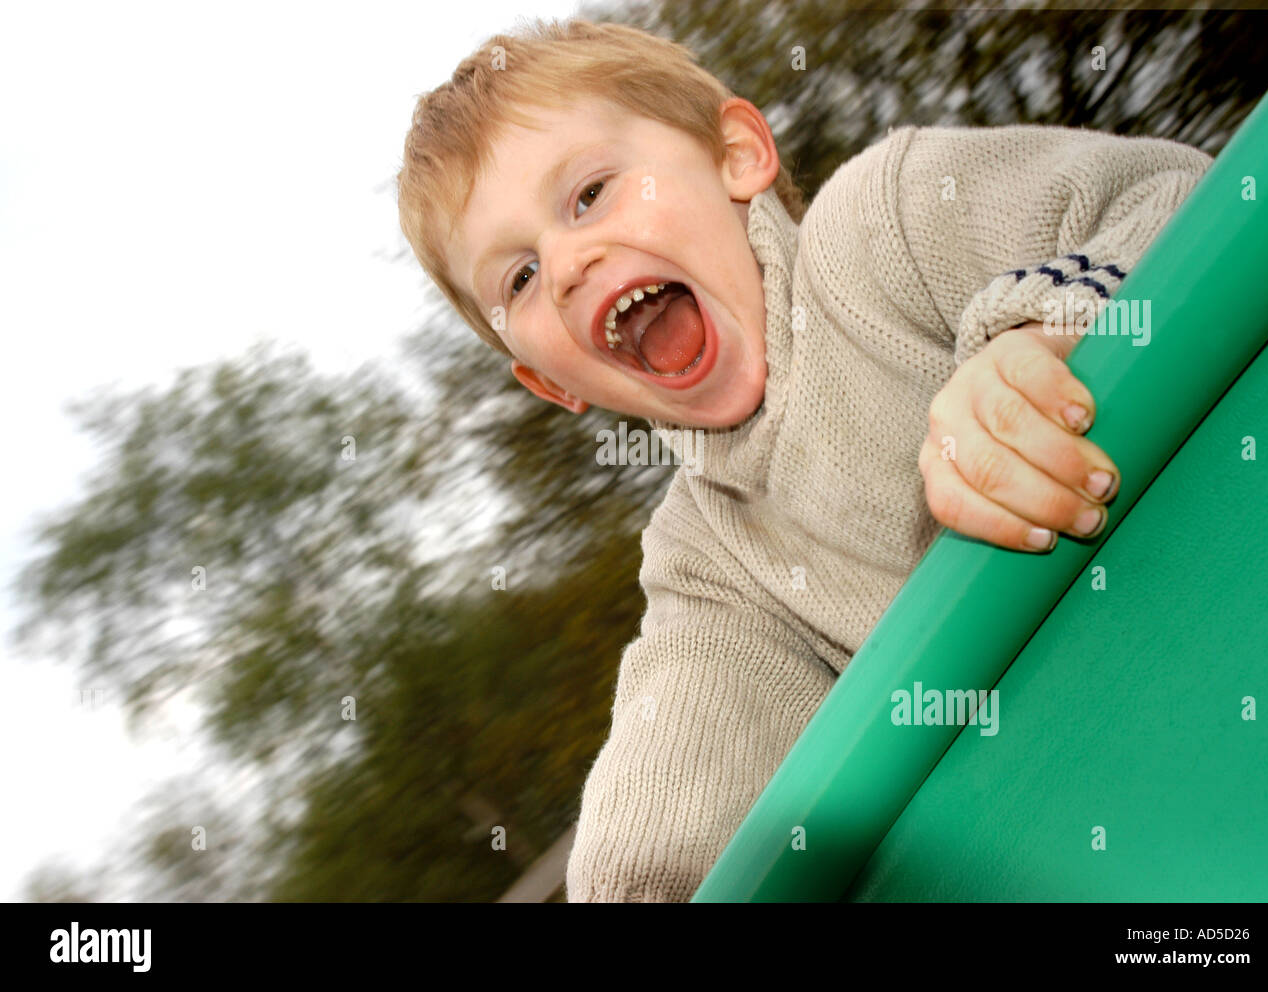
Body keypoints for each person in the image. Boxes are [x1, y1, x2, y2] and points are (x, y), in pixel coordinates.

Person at [396, 17, 1212, 901]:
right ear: (549, 383)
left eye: (589, 194)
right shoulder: (706, 560)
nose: (562, 265)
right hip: (1125, 841)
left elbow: (1175, 195)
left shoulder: (888, 223)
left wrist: (1043, 335)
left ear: (738, 154)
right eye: (516, 279)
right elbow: (678, 760)